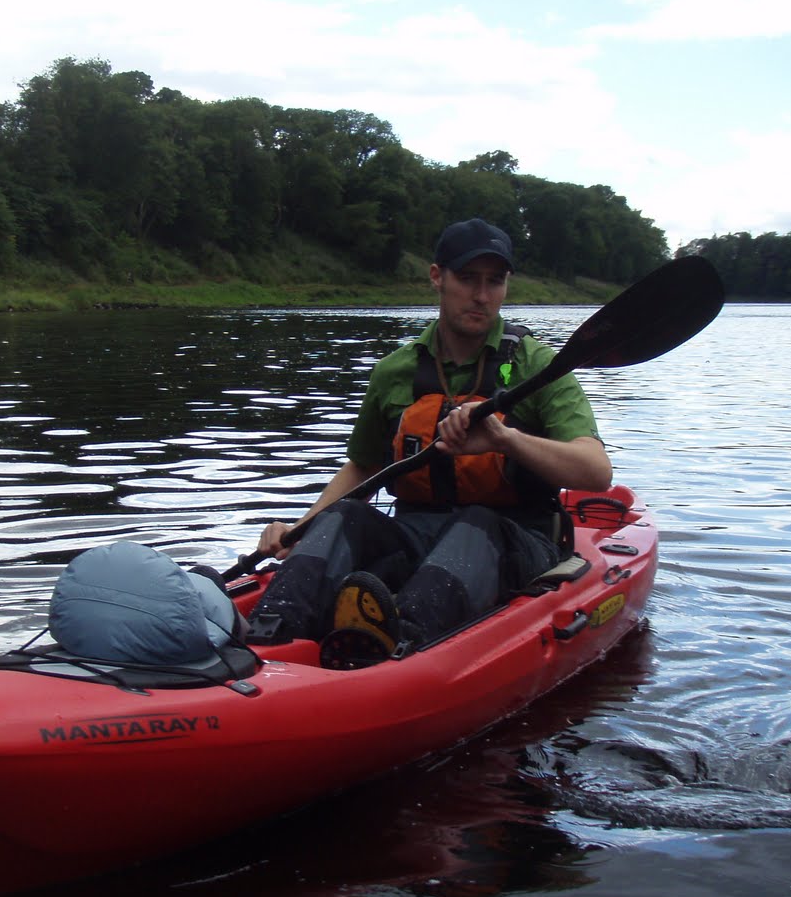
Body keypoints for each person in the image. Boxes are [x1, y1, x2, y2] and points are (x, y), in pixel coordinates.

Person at [248, 217, 613, 666]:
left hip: (518, 541)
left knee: (476, 523)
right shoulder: (395, 371)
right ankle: (268, 637)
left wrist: (506, 439)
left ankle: (398, 647)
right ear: (437, 277)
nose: (481, 296)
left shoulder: (537, 365)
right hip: (417, 535)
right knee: (347, 516)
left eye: (494, 282)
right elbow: (362, 468)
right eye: (467, 279)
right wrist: (298, 531)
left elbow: (596, 472)